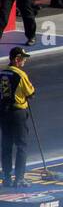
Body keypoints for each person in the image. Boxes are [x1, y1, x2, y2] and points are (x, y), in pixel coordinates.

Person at [0, 46, 33, 188]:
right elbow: (31, 92)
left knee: (6, 146)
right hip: (17, 113)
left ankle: (6, 178)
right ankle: (19, 179)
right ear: (16, 59)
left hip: (3, 113)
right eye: (22, 58)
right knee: (21, 145)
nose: (24, 60)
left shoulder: (1, 73)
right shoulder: (20, 74)